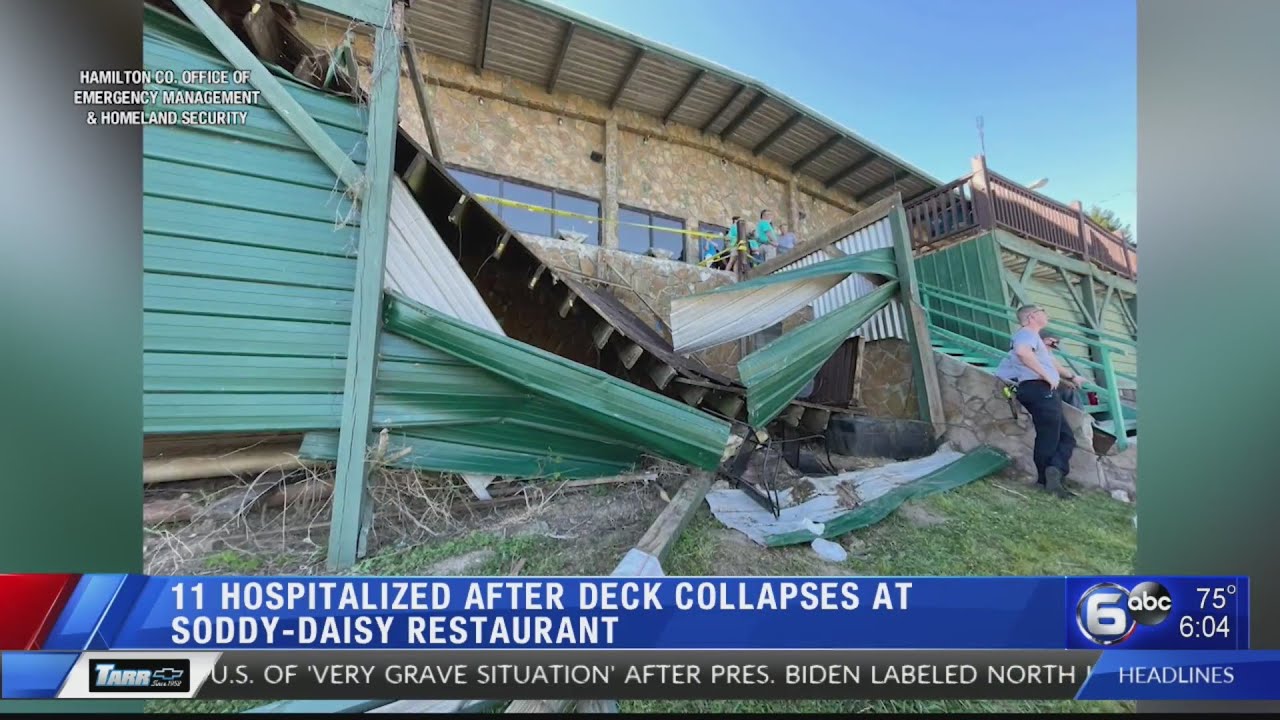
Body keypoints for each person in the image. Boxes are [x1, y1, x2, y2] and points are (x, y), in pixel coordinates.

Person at [992, 305, 1088, 498]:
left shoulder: (1034, 338)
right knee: (1049, 437)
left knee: (1063, 436)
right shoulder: (1026, 334)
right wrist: (1046, 376)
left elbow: (1051, 362)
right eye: (1042, 311)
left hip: (1040, 389)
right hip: (1038, 388)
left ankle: (1052, 474)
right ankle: (1048, 480)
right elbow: (1022, 352)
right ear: (1031, 316)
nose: (1047, 314)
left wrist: (1071, 377)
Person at [1041, 332, 1083, 409]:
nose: (1055, 345)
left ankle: (1079, 413)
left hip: (1044, 380)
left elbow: (1056, 368)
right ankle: (1079, 414)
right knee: (1068, 389)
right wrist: (1072, 377)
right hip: (1034, 382)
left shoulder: (1047, 351)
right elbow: (1056, 368)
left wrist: (1067, 379)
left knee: (1070, 386)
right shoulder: (1038, 350)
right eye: (1053, 342)